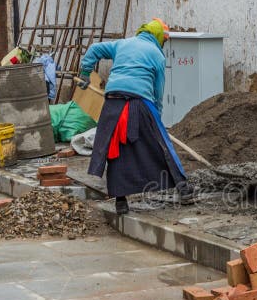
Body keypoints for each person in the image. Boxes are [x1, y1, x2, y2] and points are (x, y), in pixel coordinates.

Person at [78, 18, 193, 215]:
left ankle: (121, 202)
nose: (163, 44)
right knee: (162, 144)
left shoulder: (122, 44)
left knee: (116, 150)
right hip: (140, 101)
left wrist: (85, 72)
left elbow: (95, 49)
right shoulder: (157, 55)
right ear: (158, 37)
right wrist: (156, 117)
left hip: (113, 102)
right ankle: (184, 189)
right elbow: (157, 91)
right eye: (164, 40)